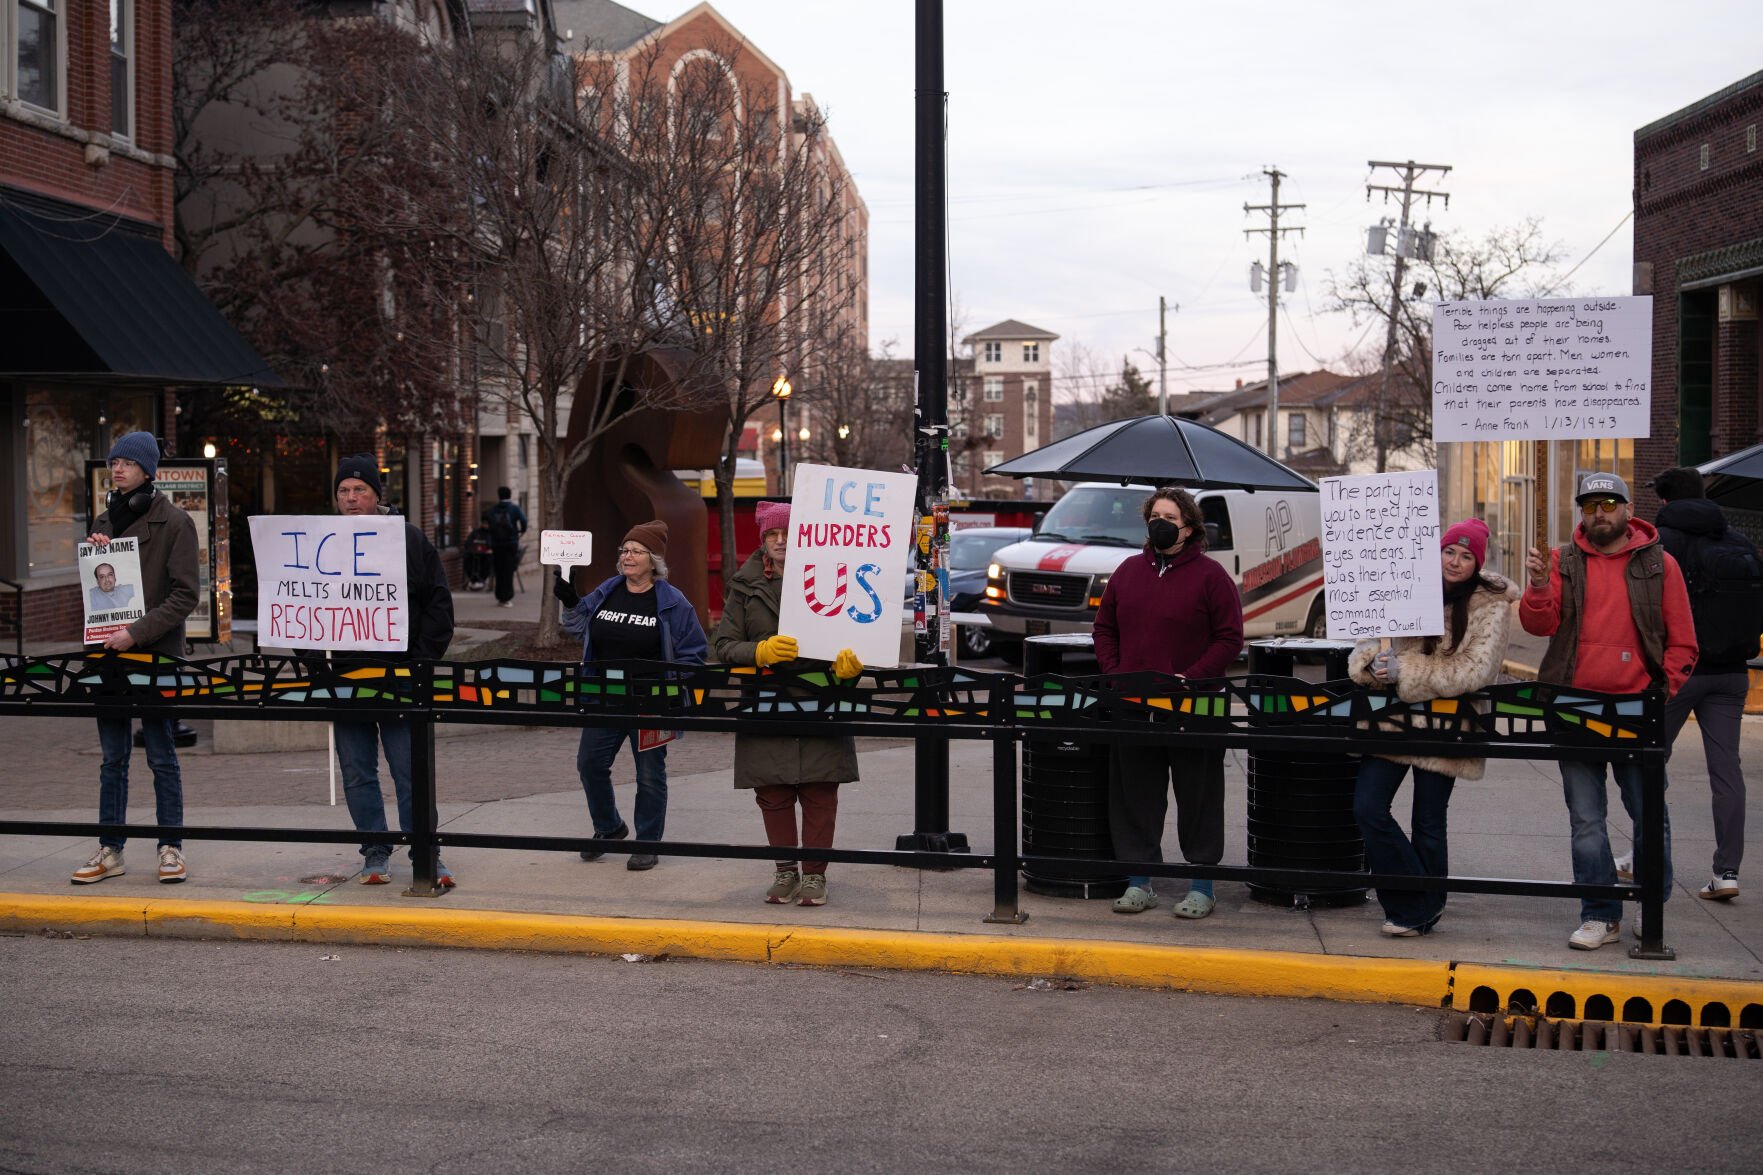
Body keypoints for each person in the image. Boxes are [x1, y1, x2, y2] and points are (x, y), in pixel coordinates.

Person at [1521, 472, 1698, 950]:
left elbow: (1683, 640)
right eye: (1590, 505)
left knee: (1649, 814)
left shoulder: (1662, 565)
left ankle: (1651, 907)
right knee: (1586, 818)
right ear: (1581, 512)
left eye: (1608, 503)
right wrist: (1538, 586)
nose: (1599, 513)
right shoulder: (1562, 561)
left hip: (1637, 710)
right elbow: (1539, 625)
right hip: (1574, 707)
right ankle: (1600, 913)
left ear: (1626, 508)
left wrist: (1662, 691)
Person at [1348, 519, 1516, 936]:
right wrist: (1374, 664)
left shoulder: (1490, 604)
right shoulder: (1407, 585)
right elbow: (1369, 644)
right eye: (1449, 552)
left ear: (1477, 563)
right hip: (1395, 723)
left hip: (1450, 725)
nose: (1455, 562)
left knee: (1428, 820)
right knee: (1367, 807)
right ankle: (1419, 899)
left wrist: (1404, 670)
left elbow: (1474, 670)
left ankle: (1417, 908)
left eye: (1466, 556)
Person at [1093, 487, 1244, 920]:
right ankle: (1139, 882)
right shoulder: (1126, 571)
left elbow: (1229, 637)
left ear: (1190, 527)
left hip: (1193, 706)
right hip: (1133, 703)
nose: (1160, 523)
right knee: (1135, 796)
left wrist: (1191, 679)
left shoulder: (1212, 577)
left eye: (1170, 517)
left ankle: (1202, 886)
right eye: (1154, 515)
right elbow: (1104, 629)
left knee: (1198, 797)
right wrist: (1116, 673)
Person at [711, 501, 864, 907]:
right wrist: (758, 651)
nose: (780, 541)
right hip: (766, 704)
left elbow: (853, 634)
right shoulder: (743, 587)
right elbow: (723, 646)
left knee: (819, 792)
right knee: (773, 792)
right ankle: (785, 870)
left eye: (788, 534)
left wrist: (850, 667)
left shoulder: (834, 577)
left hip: (820, 700)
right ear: (762, 539)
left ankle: (814, 876)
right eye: (772, 535)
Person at [73, 432, 199, 885]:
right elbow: (96, 593)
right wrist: (93, 558)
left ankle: (170, 847)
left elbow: (186, 594)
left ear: (149, 470)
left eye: (128, 462)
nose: (118, 468)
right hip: (109, 657)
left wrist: (136, 632)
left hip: (155, 655)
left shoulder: (176, 522)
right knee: (112, 759)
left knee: (162, 755)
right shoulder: (106, 518)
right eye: (115, 461)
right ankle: (111, 849)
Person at [326, 454, 457, 887]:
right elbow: (298, 606)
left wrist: (419, 661)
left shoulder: (410, 541)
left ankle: (427, 852)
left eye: (359, 490)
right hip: (344, 679)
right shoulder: (318, 544)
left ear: (377, 495)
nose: (350, 498)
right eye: (343, 491)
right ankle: (375, 851)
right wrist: (316, 663)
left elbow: (439, 606)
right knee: (358, 772)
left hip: (401, 678)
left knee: (410, 771)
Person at [554, 520, 707, 871]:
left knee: (650, 774)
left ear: (653, 560)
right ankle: (609, 828)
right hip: (603, 697)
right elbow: (577, 627)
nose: (628, 556)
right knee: (590, 765)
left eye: (636, 551)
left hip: (650, 703)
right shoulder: (608, 590)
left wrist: (672, 687)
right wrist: (571, 601)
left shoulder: (672, 602)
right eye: (625, 550)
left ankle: (647, 841)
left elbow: (694, 652)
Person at [1652, 466, 1759, 901]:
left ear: (1664, 502)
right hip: (1734, 673)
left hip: (1681, 671)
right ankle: (1727, 871)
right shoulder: (1738, 541)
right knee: (1726, 771)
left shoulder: (1662, 544)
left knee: (1647, 761)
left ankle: (1645, 855)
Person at [489, 485, 528, 608]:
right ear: (510, 495)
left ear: (499, 495)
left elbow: (488, 522)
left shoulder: (493, 509)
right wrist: (521, 531)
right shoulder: (514, 509)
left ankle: (500, 596)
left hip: (496, 544)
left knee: (499, 570)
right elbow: (524, 521)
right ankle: (507, 597)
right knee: (508, 570)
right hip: (510, 543)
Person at [463, 512, 494, 591]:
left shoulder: (493, 533)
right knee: (468, 559)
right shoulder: (476, 532)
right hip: (475, 555)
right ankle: (473, 579)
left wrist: (491, 550)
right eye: (484, 523)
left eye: (487, 523)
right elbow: (468, 543)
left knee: (487, 561)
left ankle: (481, 579)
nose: (485, 525)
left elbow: (494, 545)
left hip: (487, 556)